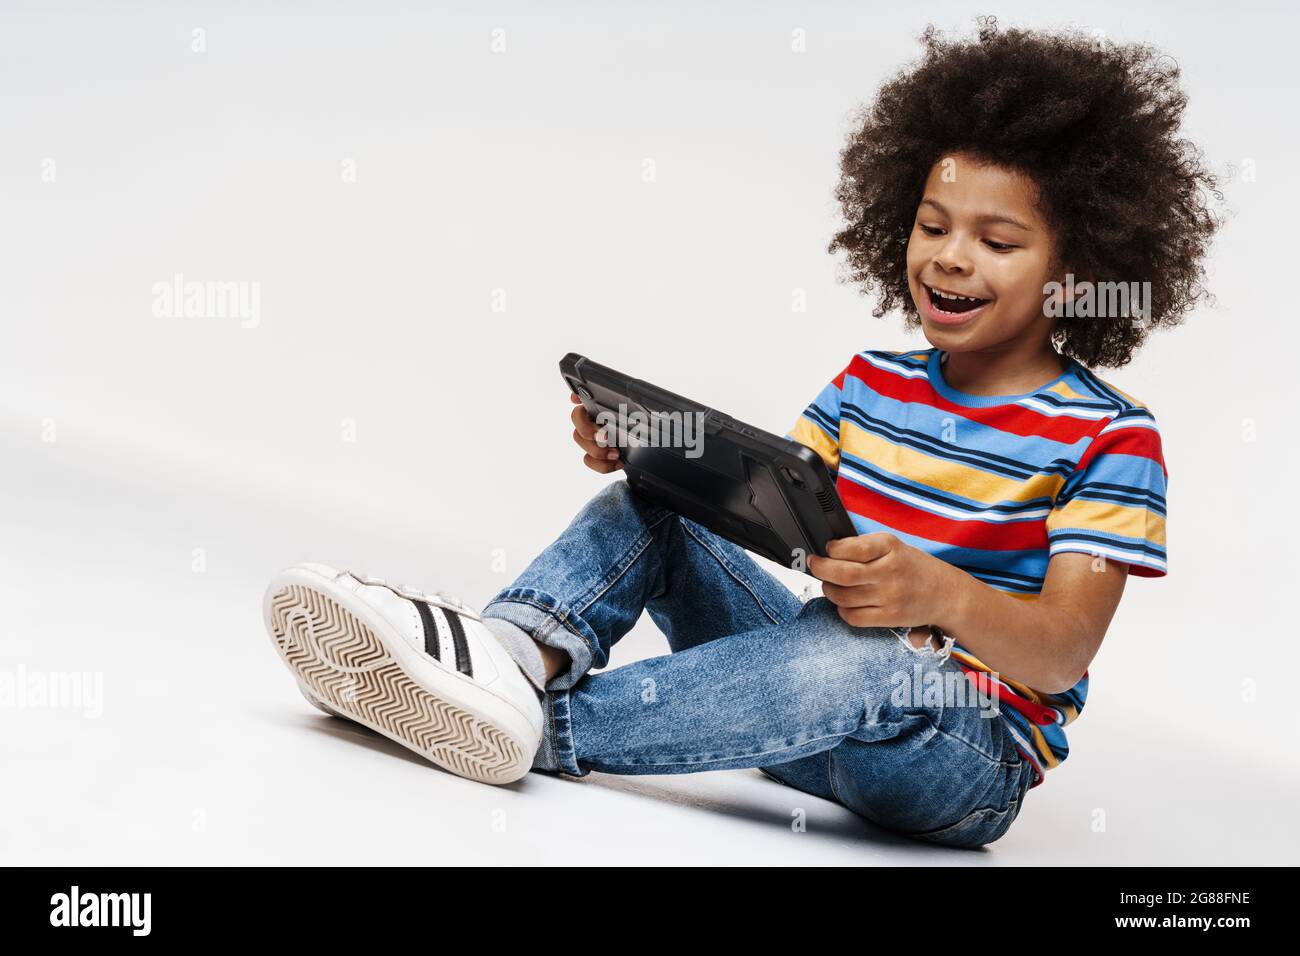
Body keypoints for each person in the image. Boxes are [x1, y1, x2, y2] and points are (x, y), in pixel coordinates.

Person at [261, 17, 1219, 849]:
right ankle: (507, 656)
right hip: (803, 712)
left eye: (998, 243)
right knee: (654, 509)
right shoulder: (869, 383)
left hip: (957, 753)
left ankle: (533, 724)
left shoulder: (1110, 439)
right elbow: (767, 510)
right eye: (932, 226)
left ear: (1080, 268)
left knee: (879, 655)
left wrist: (936, 592)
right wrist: (655, 458)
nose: (951, 258)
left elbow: (1058, 655)